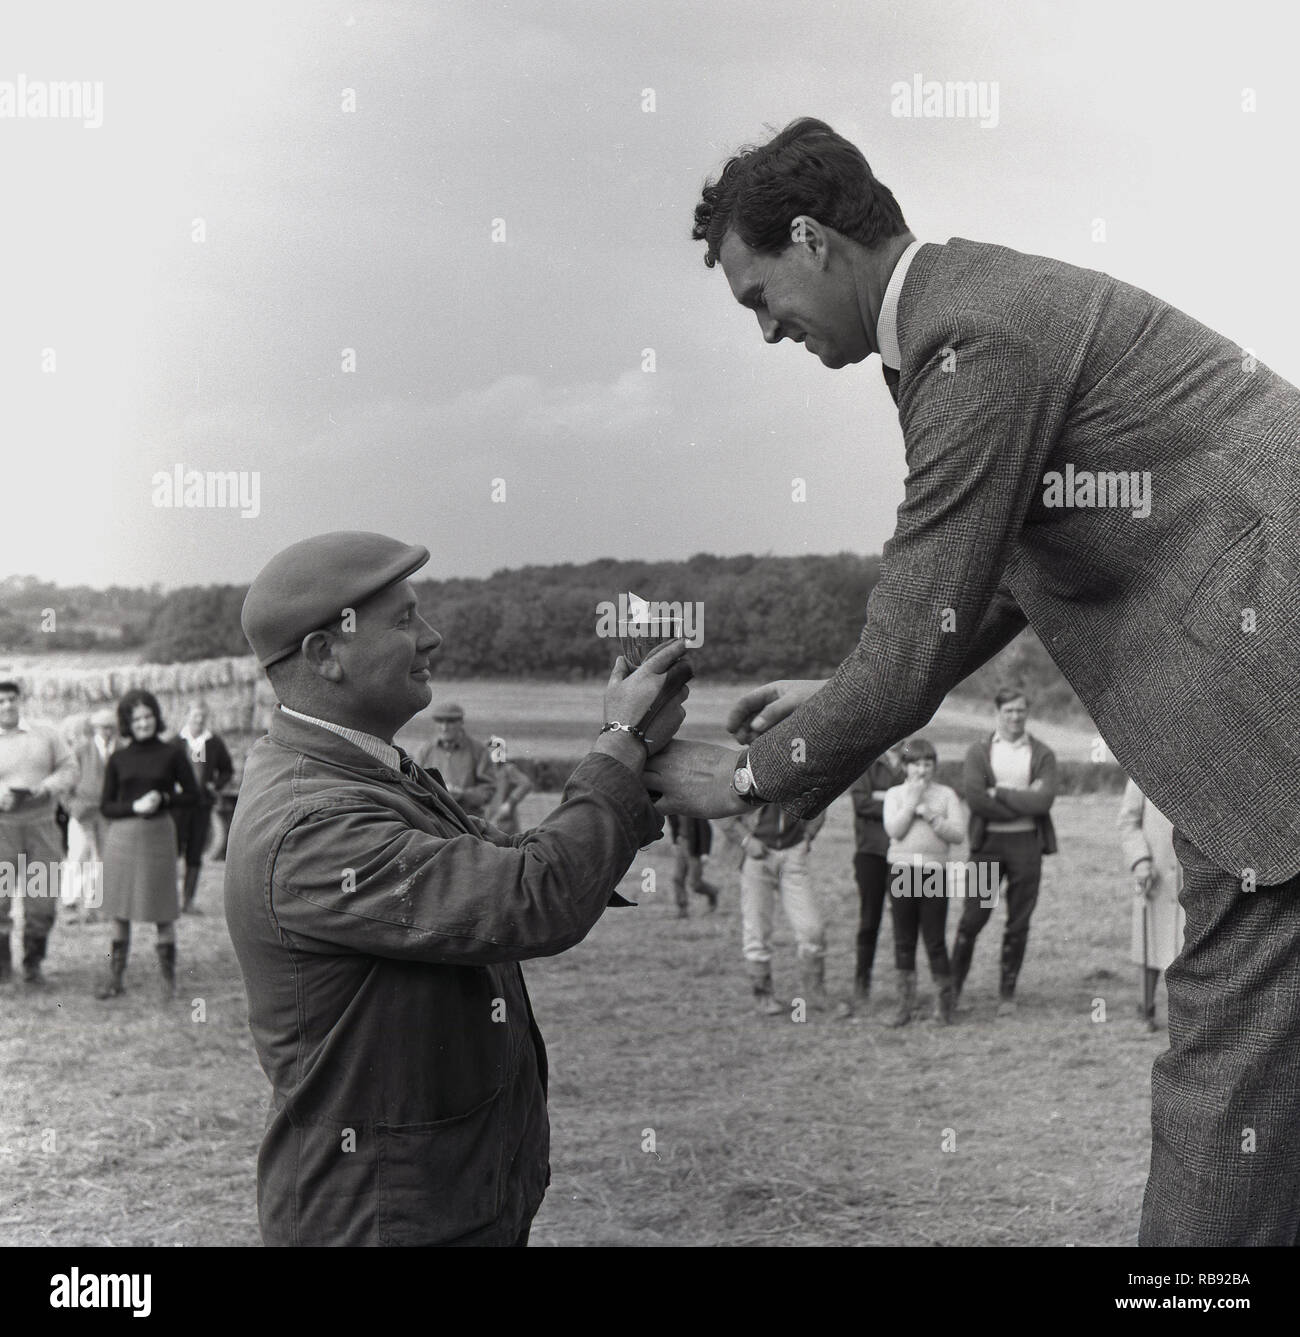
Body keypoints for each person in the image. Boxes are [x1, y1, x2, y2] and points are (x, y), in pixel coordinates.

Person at [645, 117, 1300, 1245]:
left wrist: (743, 779)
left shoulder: (970, 342)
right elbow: (988, 586)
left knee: (1227, 1075)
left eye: (759, 298)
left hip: (1264, 728)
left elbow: (915, 642)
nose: (765, 333)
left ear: (810, 238)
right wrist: (836, 697)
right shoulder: (962, 319)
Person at [224, 531, 688, 1247]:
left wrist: (703, 773)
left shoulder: (360, 771)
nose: (431, 636)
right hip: (383, 1220)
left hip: (440, 1199)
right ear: (325, 654)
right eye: (405, 619)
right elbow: (531, 896)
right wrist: (620, 739)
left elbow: (499, 860)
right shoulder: (311, 824)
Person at [953, 691, 1058, 1015]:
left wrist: (999, 793)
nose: (1016, 717)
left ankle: (1007, 995)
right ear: (997, 712)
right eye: (1009, 711)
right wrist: (1021, 800)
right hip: (988, 847)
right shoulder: (979, 752)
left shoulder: (1041, 753)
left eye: (1021, 711)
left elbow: (1042, 802)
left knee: (1018, 922)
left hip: (1026, 846)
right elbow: (976, 800)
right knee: (973, 918)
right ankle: (952, 991)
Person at [96, 690, 200, 1001]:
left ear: (156, 717)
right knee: (119, 911)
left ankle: (169, 982)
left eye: (148, 716)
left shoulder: (172, 753)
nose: (143, 723)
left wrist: (165, 799)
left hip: (158, 836)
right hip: (123, 838)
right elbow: (106, 806)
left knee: (163, 910)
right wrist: (135, 807)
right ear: (127, 723)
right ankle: (116, 979)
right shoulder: (118, 758)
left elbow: (194, 796)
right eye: (136, 718)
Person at [882, 738, 966, 1026]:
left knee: (934, 940)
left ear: (934, 767)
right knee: (904, 940)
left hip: (934, 873)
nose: (922, 769)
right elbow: (894, 830)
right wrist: (912, 804)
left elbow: (957, 834)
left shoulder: (946, 795)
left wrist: (931, 817)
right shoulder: (894, 795)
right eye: (916, 763)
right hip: (902, 871)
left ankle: (944, 1009)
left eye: (927, 764)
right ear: (905, 766)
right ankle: (904, 1007)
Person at [0, 680, 79, 985]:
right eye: (1, 701)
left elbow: (70, 769)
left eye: (12, 699)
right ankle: (2, 969)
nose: (7, 706)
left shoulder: (46, 734)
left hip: (42, 825)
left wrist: (46, 787)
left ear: (21, 701)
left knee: (42, 898)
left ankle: (33, 964)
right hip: (3, 828)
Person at [723, 801, 826, 1016]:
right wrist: (745, 840)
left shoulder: (803, 766)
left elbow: (822, 798)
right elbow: (720, 807)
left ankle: (816, 994)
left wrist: (808, 836)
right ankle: (763, 995)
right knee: (757, 928)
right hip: (757, 854)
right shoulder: (741, 765)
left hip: (793, 853)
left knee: (812, 929)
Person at [836, 743, 905, 1019]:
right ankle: (861, 984)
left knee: (904, 922)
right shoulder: (866, 760)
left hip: (904, 855)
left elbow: (921, 799)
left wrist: (884, 798)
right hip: (870, 853)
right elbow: (861, 802)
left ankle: (904, 989)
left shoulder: (915, 759)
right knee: (869, 921)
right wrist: (901, 803)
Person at [1117, 778, 1185, 1029]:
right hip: (1156, 874)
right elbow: (1128, 821)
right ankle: (1145, 1008)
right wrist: (1141, 860)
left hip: (1195, 875)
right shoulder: (1143, 768)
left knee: (1191, 946)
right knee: (1152, 938)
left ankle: (1188, 1014)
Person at [171, 700, 234, 914]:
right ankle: (171, 899)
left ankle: (188, 901)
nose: (198, 720)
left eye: (202, 716)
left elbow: (227, 769)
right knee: (174, 850)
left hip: (201, 806)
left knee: (195, 853)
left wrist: (214, 785)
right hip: (178, 807)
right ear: (187, 715)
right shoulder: (175, 743)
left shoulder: (214, 743)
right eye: (195, 715)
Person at [412, 702, 494, 817]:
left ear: (461, 722)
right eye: (440, 721)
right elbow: (413, 785)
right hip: (435, 819)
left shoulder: (478, 750)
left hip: (469, 820)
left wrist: (462, 795)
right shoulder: (425, 750)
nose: (444, 728)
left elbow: (488, 790)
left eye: (450, 722)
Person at [666, 814, 718, 918]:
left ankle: (713, 892)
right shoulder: (673, 806)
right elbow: (673, 823)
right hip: (682, 843)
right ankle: (682, 909)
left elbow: (705, 829)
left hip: (694, 847)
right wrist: (675, 841)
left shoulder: (694, 806)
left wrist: (705, 852)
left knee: (695, 883)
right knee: (678, 878)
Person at [481, 734, 533, 836]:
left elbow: (526, 784)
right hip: (488, 818)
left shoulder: (508, 769)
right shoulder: (484, 772)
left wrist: (510, 803)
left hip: (504, 822)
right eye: (491, 750)